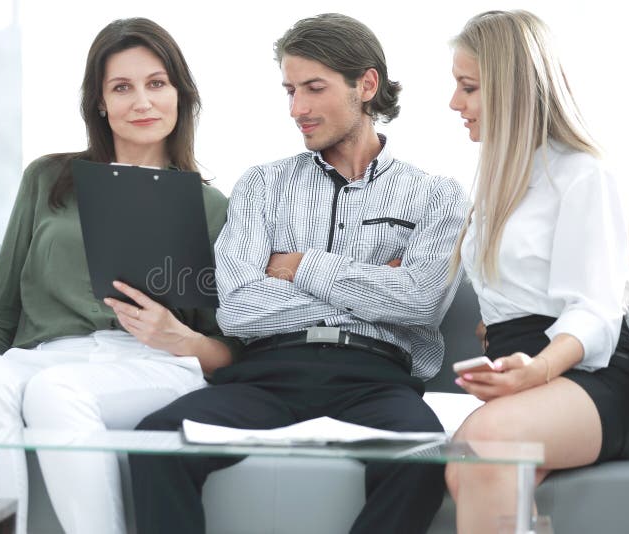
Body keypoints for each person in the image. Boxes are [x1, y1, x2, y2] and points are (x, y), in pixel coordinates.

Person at [129, 13, 468, 534]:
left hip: (375, 378)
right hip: (267, 374)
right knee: (156, 443)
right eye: (290, 90)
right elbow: (239, 307)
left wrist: (298, 266)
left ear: (367, 85)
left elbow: (420, 303)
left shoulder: (436, 195)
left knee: (423, 456)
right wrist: (375, 283)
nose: (297, 109)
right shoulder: (262, 185)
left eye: (314, 88)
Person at [0, 17, 238, 534]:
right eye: (122, 87)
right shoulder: (49, 179)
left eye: (156, 84)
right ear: (100, 102)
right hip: (48, 356)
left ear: (180, 95)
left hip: (151, 364)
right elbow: (2, 305)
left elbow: (229, 347)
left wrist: (176, 335)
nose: (142, 101)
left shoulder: (208, 206)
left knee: (56, 392)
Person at [445, 10, 629, 532]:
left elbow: (597, 311)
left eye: (468, 88)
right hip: (531, 370)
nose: (455, 104)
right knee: (474, 467)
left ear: (512, 90)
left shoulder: (582, 175)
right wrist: (495, 326)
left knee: (482, 446)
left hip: (591, 378)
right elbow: (518, 288)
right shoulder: (499, 176)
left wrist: (535, 368)